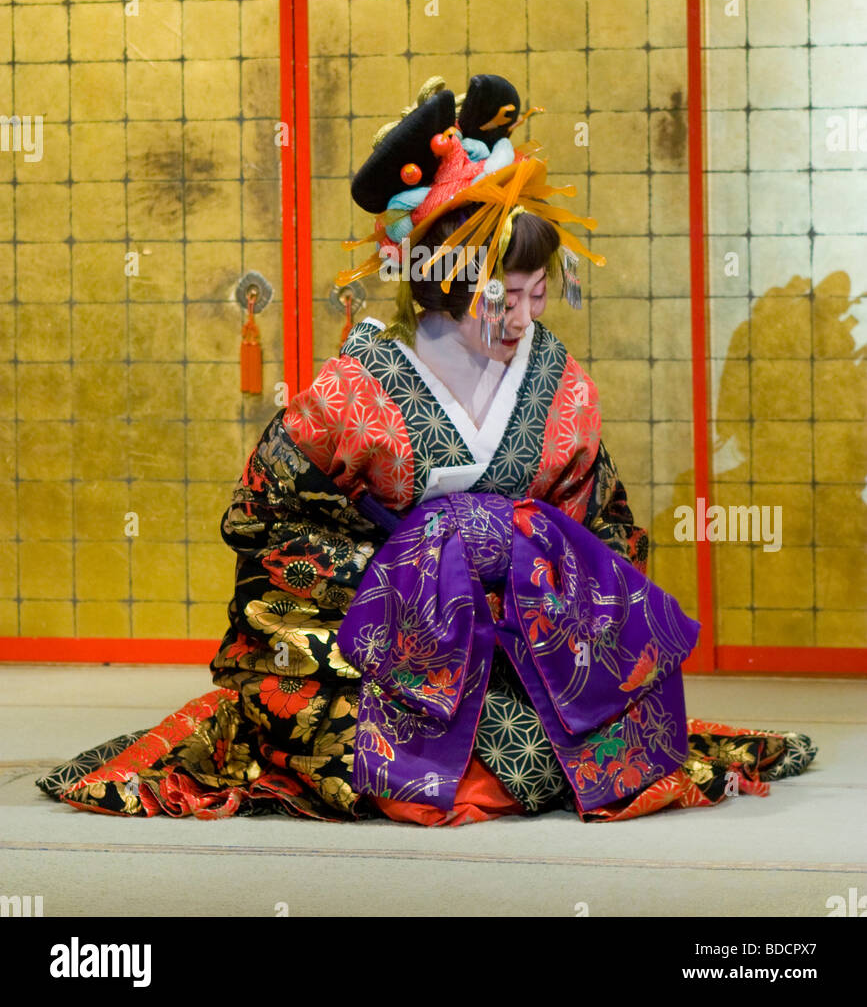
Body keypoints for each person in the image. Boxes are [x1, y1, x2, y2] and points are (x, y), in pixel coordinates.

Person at [37, 75, 817, 825]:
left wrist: (534, 570)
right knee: (328, 722)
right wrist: (410, 571)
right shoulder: (352, 393)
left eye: (537, 294)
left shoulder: (562, 390)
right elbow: (261, 521)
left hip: (520, 637)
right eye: (502, 297)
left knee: (610, 707)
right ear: (443, 279)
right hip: (388, 637)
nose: (522, 319)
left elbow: (606, 531)